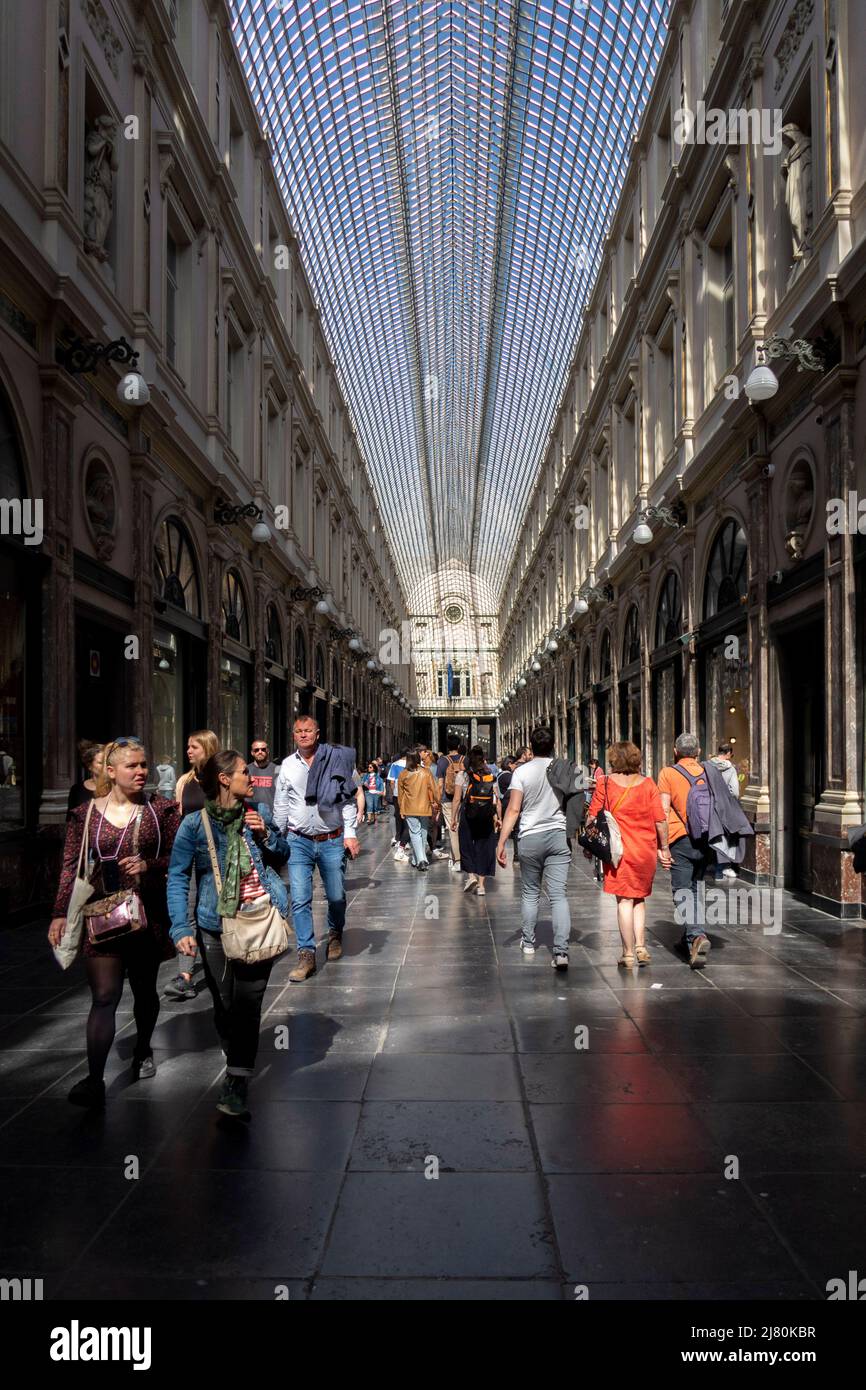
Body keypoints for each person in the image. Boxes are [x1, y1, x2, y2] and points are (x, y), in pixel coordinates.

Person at [47, 738, 180, 1108]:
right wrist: (60, 912)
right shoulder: (84, 814)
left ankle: (142, 1049)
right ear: (110, 771)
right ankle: (94, 1079)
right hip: (101, 915)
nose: (141, 772)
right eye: (132, 766)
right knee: (104, 997)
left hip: (145, 915)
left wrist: (149, 865)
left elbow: (179, 858)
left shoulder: (162, 810)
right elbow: (70, 867)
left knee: (144, 990)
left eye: (143, 765)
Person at [167, 751, 290, 1120]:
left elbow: (282, 854)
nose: (250, 777)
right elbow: (176, 877)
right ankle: (236, 1054)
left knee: (248, 1005)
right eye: (242, 773)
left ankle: (236, 1082)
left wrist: (265, 833)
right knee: (224, 1006)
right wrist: (180, 927)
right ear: (223, 779)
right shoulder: (194, 825)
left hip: (258, 919)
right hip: (214, 924)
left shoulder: (258, 815)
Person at [272, 716, 361, 980]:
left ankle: (334, 933)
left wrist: (350, 834)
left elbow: (346, 800)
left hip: (331, 839)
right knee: (300, 898)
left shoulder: (335, 759)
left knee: (335, 896)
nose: (303, 735)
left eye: (308, 730)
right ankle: (306, 955)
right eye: (298, 731)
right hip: (298, 840)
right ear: (293, 735)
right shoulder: (287, 766)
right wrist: (277, 837)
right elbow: (281, 804)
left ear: (317, 733)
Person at [586, 741, 670, 968]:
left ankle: (628, 954)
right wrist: (665, 848)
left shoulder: (605, 783)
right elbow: (660, 820)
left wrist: (589, 846)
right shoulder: (648, 784)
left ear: (613, 760)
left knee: (624, 899)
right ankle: (641, 946)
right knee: (639, 897)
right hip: (645, 850)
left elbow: (592, 818)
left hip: (617, 852)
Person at [496, 725, 571, 967]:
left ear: (531, 747)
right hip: (558, 835)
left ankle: (528, 942)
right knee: (558, 896)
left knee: (530, 892)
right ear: (553, 744)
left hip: (529, 837)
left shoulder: (521, 772)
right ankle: (560, 952)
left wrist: (501, 842)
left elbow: (514, 809)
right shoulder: (563, 768)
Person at [164, 729, 218, 1001]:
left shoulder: (220, 776)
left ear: (206, 748)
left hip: (214, 852)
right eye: (187, 746)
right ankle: (185, 975)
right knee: (187, 908)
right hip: (189, 850)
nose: (188, 751)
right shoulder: (185, 780)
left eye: (193, 746)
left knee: (211, 907)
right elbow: (179, 814)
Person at [657, 733, 713, 969]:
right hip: (706, 839)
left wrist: (663, 847)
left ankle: (697, 936)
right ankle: (689, 939)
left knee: (682, 891)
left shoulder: (668, 773)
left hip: (680, 838)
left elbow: (663, 812)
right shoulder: (709, 772)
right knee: (694, 889)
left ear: (675, 751)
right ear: (698, 751)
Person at [451, 745, 501, 896]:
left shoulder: (463, 775)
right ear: (483, 760)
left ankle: (471, 875)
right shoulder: (490, 775)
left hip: (468, 815)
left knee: (466, 845)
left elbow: (456, 799)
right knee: (484, 847)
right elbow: (497, 800)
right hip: (486, 816)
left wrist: (453, 818)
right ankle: (481, 886)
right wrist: (499, 818)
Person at [397, 752, 440, 871]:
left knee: (415, 833)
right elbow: (434, 789)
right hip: (425, 807)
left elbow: (401, 795)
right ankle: (420, 859)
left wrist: (401, 808)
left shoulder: (403, 774)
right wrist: (439, 803)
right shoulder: (426, 772)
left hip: (409, 807)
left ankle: (420, 860)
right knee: (422, 832)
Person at [708, 743, 740, 880]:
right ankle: (722, 869)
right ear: (727, 754)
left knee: (711, 834)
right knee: (725, 836)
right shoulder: (730, 769)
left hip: (708, 805)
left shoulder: (707, 766)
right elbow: (735, 792)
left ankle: (710, 864)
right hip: (724, 806)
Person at [437, 736, 466, 872]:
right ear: (459, 745)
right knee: (462, 829)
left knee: (452, 829)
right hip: (463, 799)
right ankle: (460, 856)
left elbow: (440, 783)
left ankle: (458, 861)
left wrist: (437, 801)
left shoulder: (442, 761)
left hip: (447, 799)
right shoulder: (465, 760)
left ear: (447, 746)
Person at [67, 740, 105, 819]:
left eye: (107, 762)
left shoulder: (115, 787)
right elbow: (70, 819)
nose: (106, 766)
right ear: (89, 765)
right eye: (101, 763)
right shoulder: (76, 790)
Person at [246, 739, 279, 816]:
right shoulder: (246, 770)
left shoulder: (277, 770)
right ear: (252, 753)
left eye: (263, 749)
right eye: (256, 750)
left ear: (268, 751)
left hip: (271, 816)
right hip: (250, 815)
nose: (260, 752)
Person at [386, 749, 409, 859]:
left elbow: (391, 781)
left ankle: (399, 837)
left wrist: (394, 790)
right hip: (409, 794)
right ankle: (406, 840)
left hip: (397, 794)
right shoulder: (412, 763)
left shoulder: (394, 764)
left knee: (398, 815)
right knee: (407, 817)